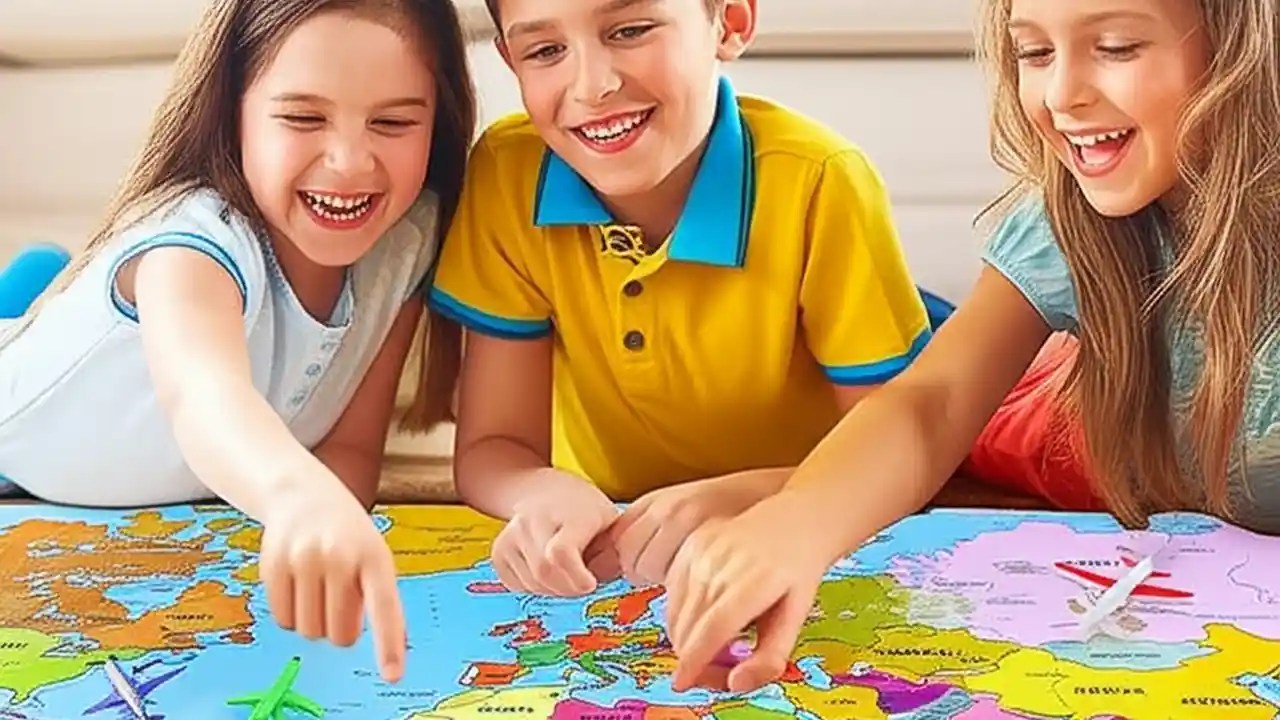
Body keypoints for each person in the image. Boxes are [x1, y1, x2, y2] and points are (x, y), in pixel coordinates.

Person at [660, 0, 1279, 693]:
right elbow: (934, 401)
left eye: (1116, 47)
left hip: (1075, 422)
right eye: (1035, 54)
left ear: (1242, 45)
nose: (1061, 96)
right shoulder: (1068, 223)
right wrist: (799, 518)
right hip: (1053, 411)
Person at [0, 0, 477, 683]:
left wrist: (328, 530)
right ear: (233, 116)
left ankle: (39, 284)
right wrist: (294, 496)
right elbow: (205, 397)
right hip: (20, 430)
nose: (349, 160)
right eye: (303, 118)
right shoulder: (192, 248)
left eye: (394, 122)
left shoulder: (407, 241)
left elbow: (349, 451)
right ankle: (34, 298)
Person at [427, 0, 933, 597]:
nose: (593, 86)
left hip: (800, 528)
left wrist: (740, 499)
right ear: (511, 63)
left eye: (631, 30)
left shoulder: (822, 181)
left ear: (731, 22)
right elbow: (494, 447)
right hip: (622, 549)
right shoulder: (507, 172)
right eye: (546, 51)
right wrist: (541, 491)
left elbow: (901, 461)